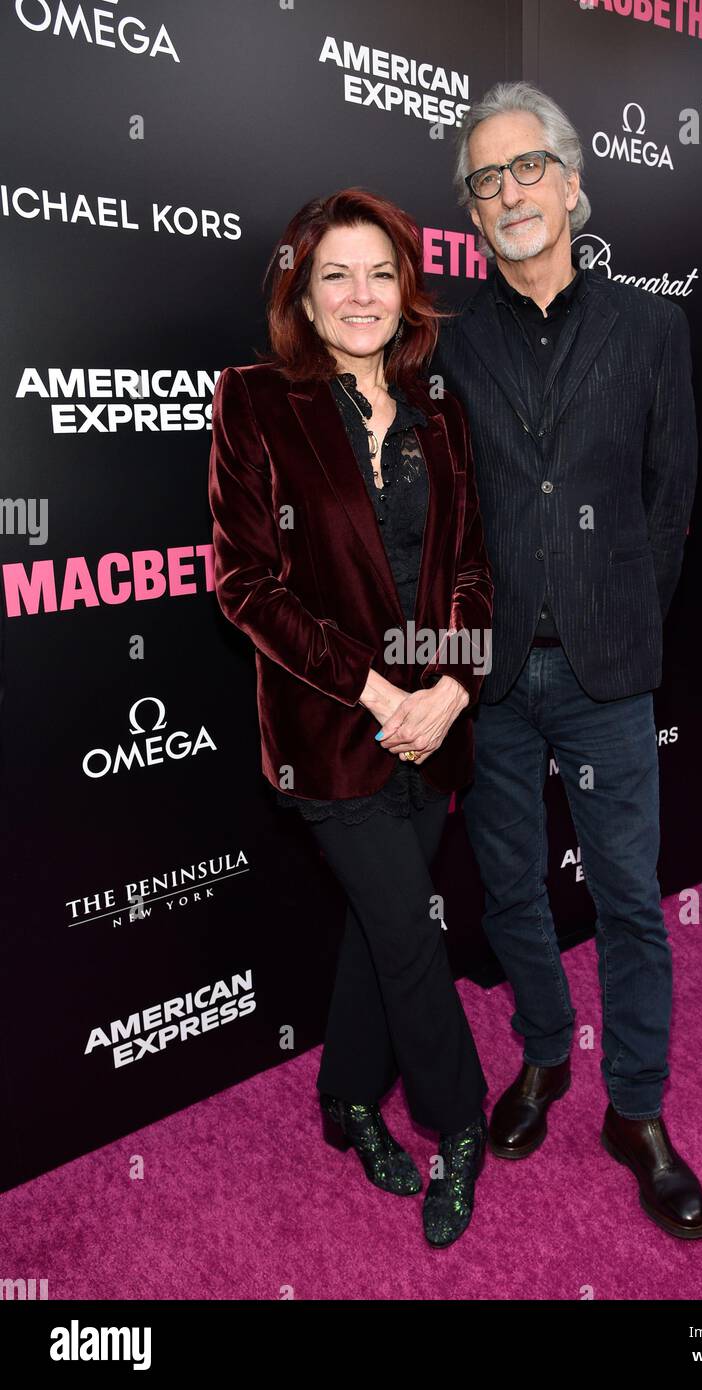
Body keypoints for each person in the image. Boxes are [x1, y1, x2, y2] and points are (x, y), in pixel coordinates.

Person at [431, 81, 702, 1239]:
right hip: (492, 681)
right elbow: (441, 515)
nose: (509, 194)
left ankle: (634, 1109)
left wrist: (618, 624)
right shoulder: (447, 343)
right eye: (486, 181)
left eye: (526, 167)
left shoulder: (651, 326)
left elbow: (670, 497)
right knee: (510, 890)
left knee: (630, 898)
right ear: (473, 211)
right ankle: (544, 1056)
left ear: (573, 180)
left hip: (605, 674)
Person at [207, 188, 494, 1248]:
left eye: (381, 272)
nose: (362, 294)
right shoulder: (255, 401)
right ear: (305, 293)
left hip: (437, 725)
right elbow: (247, 584)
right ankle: (459, 1124)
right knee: (414, 935)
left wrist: (451, 689)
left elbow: (469, 569)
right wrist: (381, 696)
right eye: (337, 274)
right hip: (333, 734)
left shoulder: (440, 408)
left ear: (407, 288)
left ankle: (344, 1101)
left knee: (383, 932)